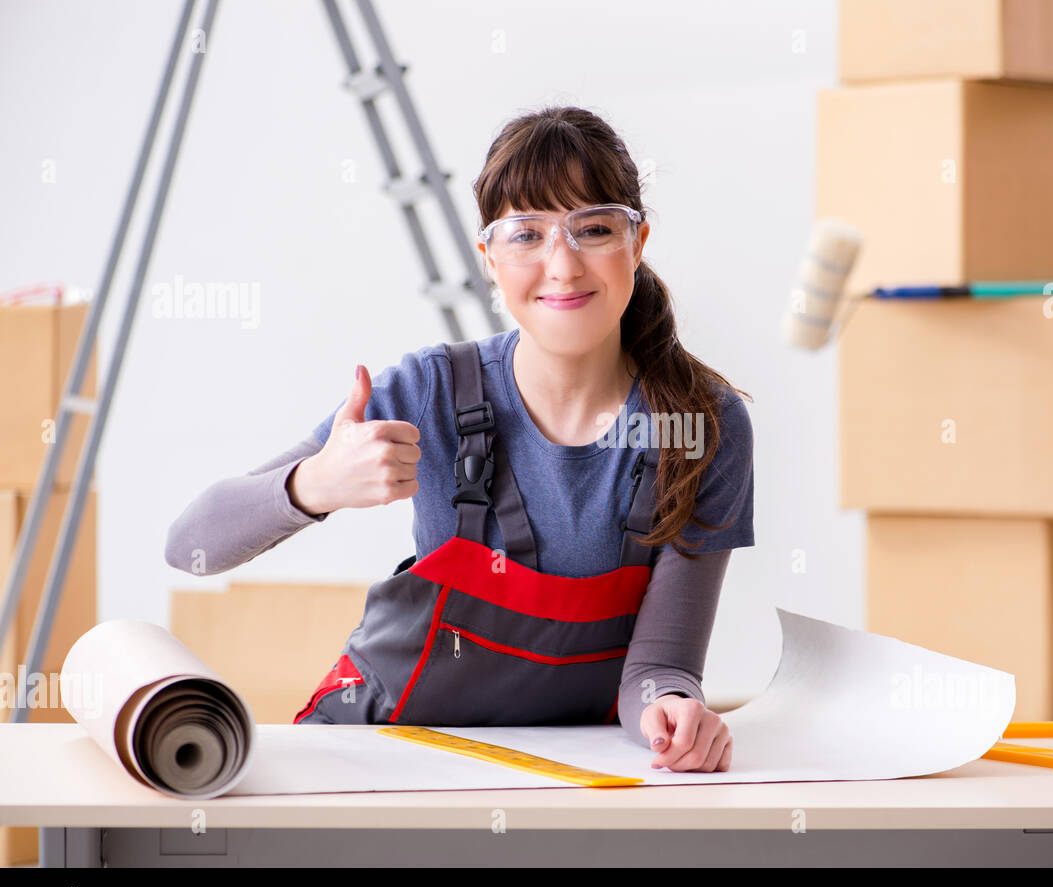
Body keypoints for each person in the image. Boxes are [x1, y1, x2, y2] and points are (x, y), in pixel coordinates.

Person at [164, 105, 754, 773]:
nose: (561, 265)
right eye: (526, 234)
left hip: (554, 781)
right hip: (387, 759)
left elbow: (660, 666)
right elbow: (191, 546)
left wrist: (670, 708)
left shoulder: (702, 425)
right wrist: (315, 484)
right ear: (489, 259)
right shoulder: (431, 392)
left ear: (637, 242)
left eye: (593, 229)